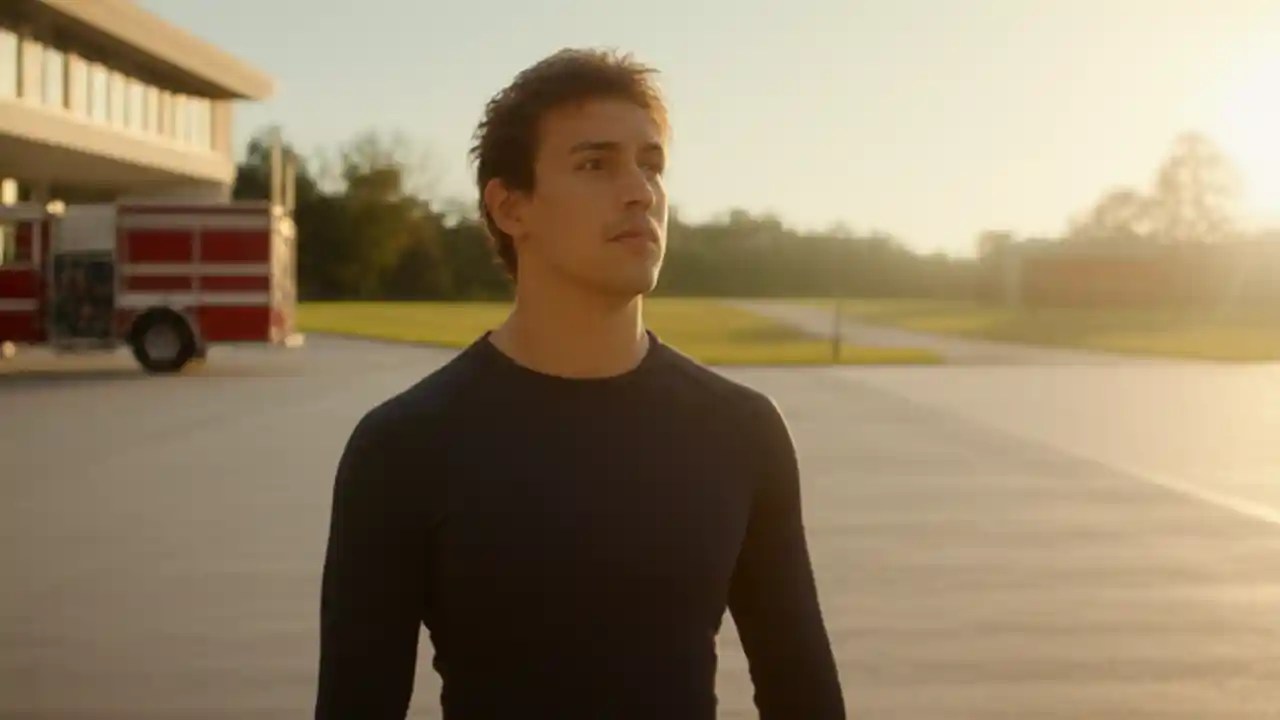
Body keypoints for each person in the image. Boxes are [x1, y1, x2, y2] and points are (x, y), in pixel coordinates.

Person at [315, 47, 846, 719]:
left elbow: (803, 694)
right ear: (511, 207)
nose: (640, 190)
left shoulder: (742, 431)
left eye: (651, 165)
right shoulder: (403, 447)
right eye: (596, 164)